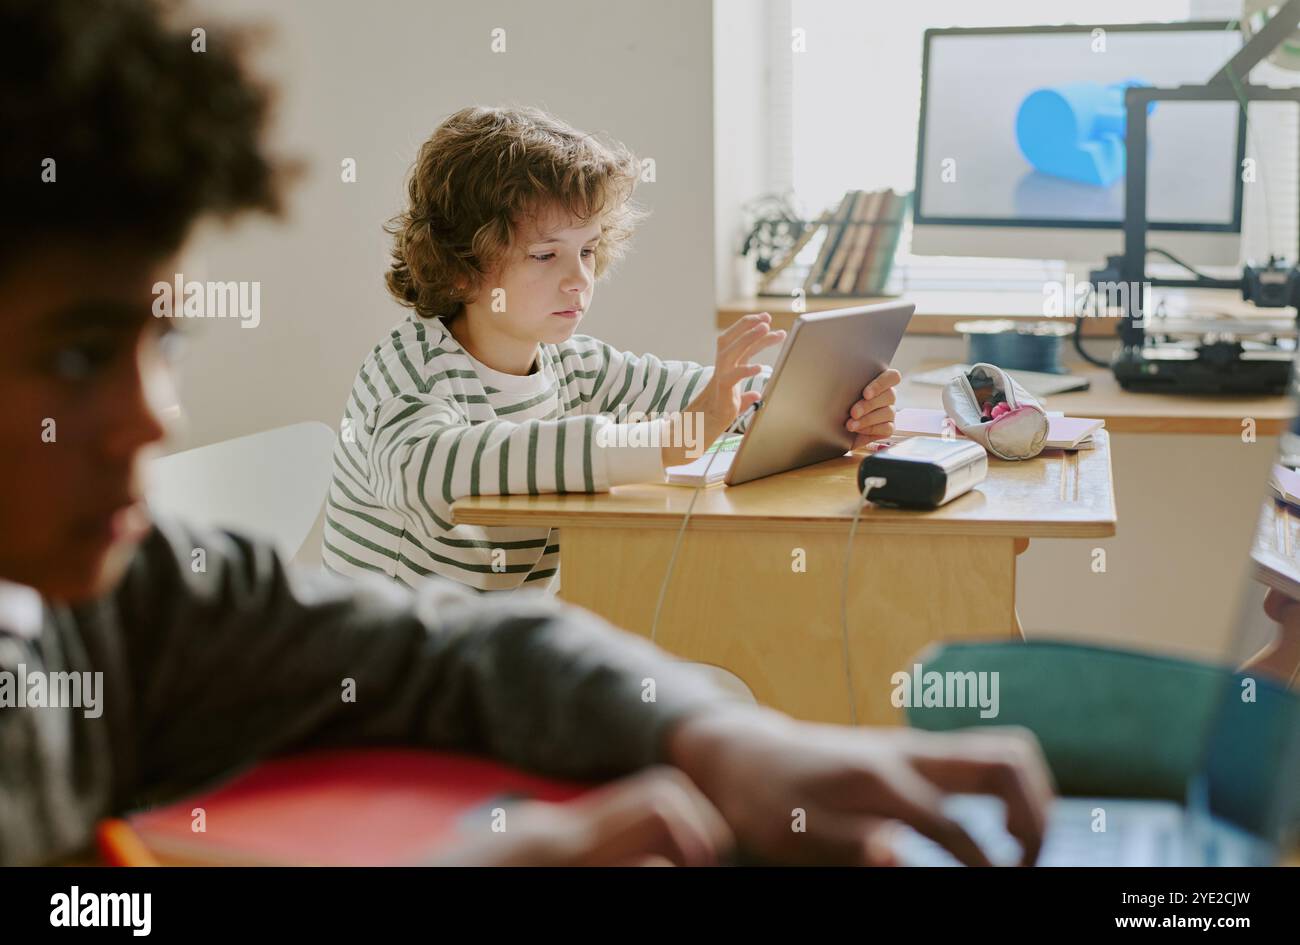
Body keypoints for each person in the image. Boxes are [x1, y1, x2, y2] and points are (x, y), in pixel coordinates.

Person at [0, 0, 1052, 867]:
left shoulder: (116, 601)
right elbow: (445, 469)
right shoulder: (410, 375)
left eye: (164, 341)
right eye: (81, 354)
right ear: (466, 266)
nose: (154, 413)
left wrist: (724, 739)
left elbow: (451, 650)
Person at [322, 105, 902, 592]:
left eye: (589, 252)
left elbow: (706, 399)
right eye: (545, 255)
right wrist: (671, 437)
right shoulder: (408, 372)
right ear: (459, 269)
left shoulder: (575, 366)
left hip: (492, 660)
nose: (579, 280)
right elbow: (431, 469)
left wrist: (827, 412)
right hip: (386, 673)